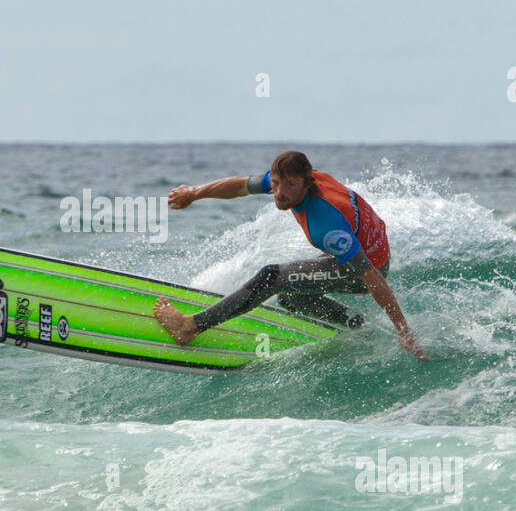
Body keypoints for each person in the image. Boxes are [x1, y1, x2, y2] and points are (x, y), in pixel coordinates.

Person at [153, 150, 427, 360]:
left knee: (274, 277)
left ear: (307, 183)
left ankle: (190, 327)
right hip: (365, 246)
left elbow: (371, 275)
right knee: (291, 296)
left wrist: (403, 329)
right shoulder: (287, 182)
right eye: (275, 184)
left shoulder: (327, 226)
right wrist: (194, 193)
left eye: (290, 186)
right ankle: (356, 325)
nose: (280, 193)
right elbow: (240, 186)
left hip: (368, 265)